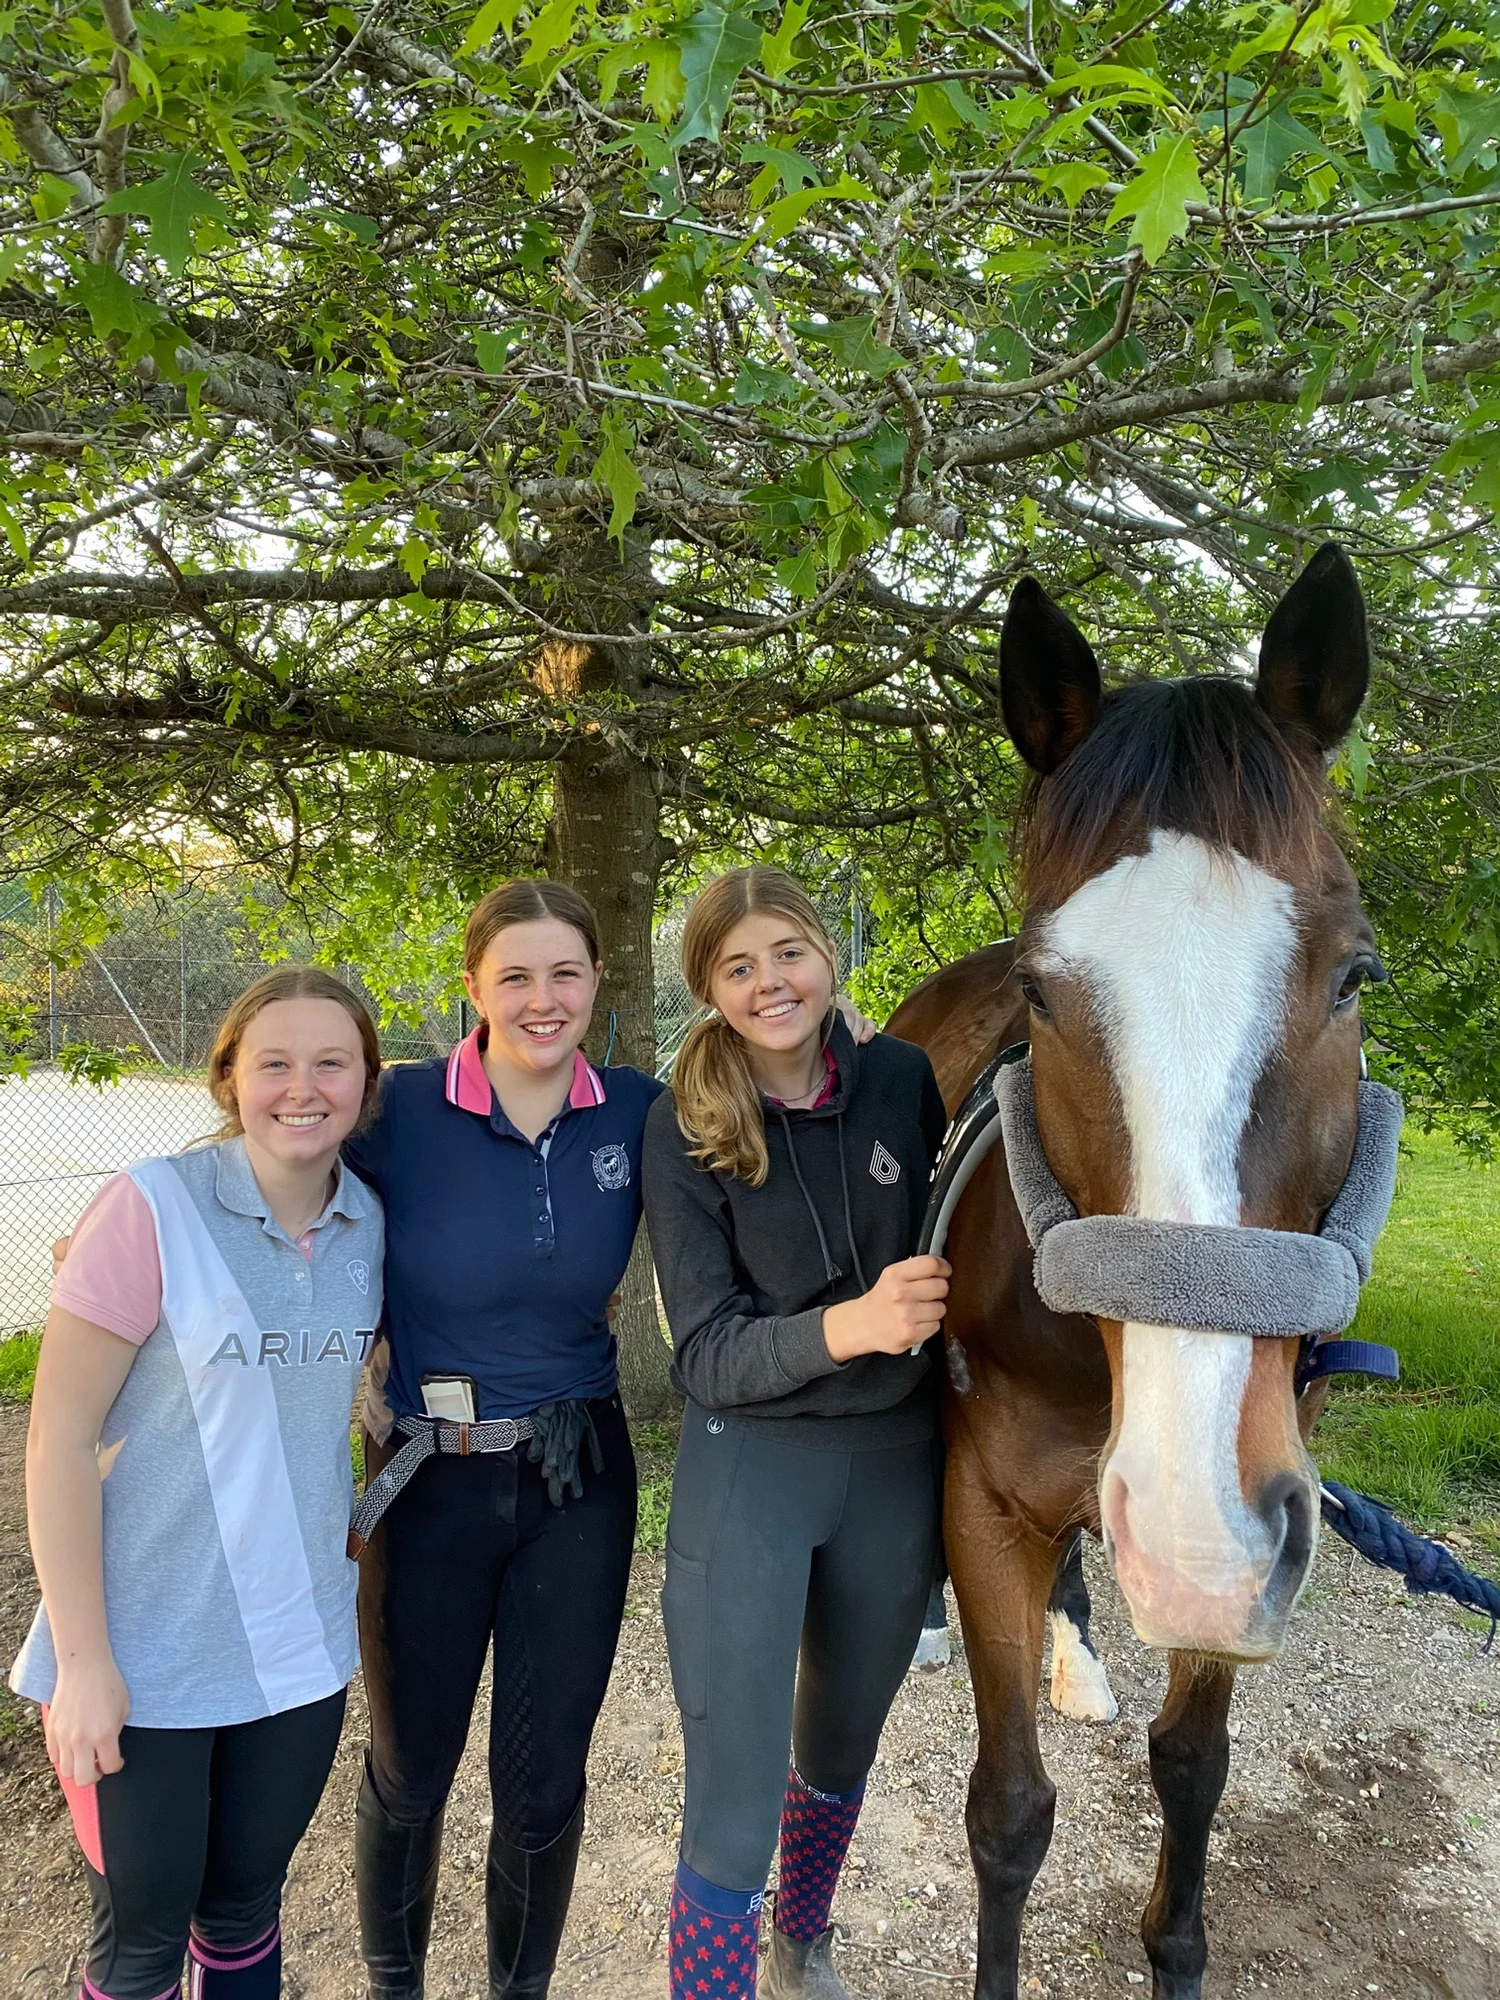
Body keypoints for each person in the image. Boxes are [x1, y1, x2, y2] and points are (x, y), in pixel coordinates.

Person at [11, 967, 385, 2000]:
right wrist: (84, 1662)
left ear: (366, 1081)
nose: (301, 1087)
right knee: (140, 1946)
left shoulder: (371, 1222)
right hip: (143, 1658)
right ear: (229, 1077)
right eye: (274, 1062)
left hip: (297, 1651)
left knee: (242, 1915)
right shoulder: (151, 1207)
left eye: (331, 1062)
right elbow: (57, 1440)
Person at [342, 879, 662, 2000]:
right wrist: (138, 1229)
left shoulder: (638, 1110)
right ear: (473, 986)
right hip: (427, 1477)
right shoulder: (396, 1107)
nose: (543, 998)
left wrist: (844, 1042)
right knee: (410, 1766)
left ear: (597, 980)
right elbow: (271, 1159)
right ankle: (395, 1984)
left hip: (577, 1477)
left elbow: (762, 1123)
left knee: (543, 1781)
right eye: (514, 975)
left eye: (565, 972)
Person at [643, 866, 952, 2000]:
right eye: (739, 965)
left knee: (838, 1755)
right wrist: (854, 1325)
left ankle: (801, 1942)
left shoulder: (902, 1078)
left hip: (893, 1469)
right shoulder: (682, 1124)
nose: (770, 982)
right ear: (709, 987)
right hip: (752, 1473)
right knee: (732, 1810)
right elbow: (705, 1351)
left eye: (789, 953)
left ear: (828, 956)